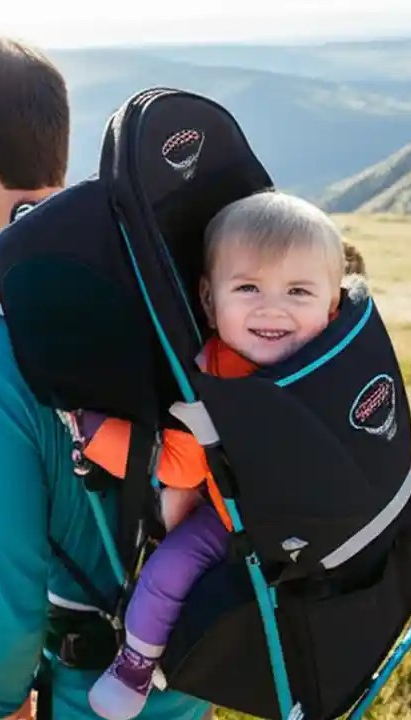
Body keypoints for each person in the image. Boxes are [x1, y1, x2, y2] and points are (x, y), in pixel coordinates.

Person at [0, 34, 212, 720]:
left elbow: (5, 575)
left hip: (92, 696)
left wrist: (2, 698)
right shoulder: (165, 276)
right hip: (199, 665)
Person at [81, 192, 358, 720]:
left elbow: (174, 462)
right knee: (175, 559)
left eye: (298, 290)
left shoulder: (224, 382)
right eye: (248, 287)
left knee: (168, 570)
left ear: (332, 304)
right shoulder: (313, 357)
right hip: (262, 511)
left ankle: (135, 665)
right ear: (208, 301)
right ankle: (142, 660)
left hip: (263, 522)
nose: (272, 308)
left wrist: (91, 432)